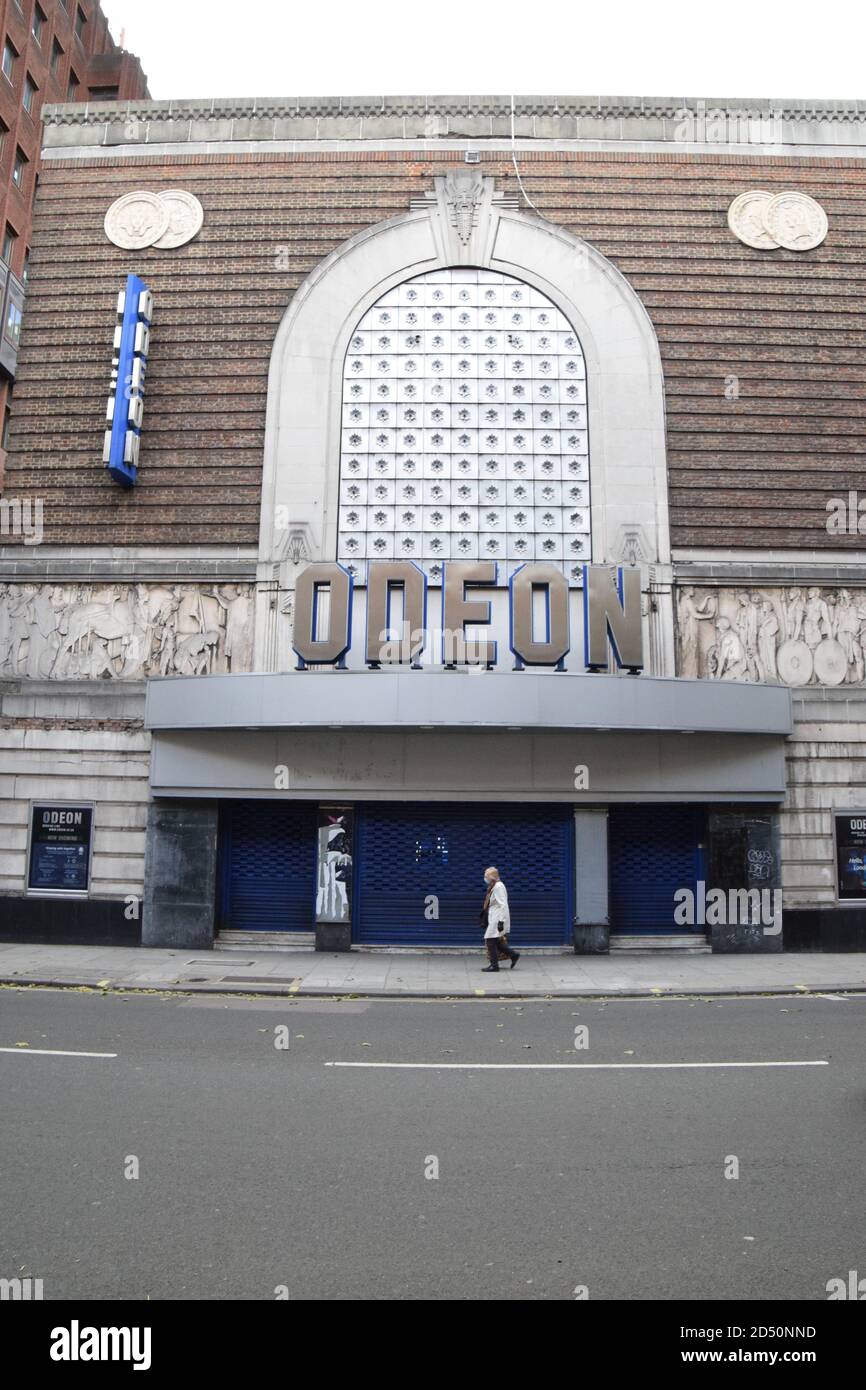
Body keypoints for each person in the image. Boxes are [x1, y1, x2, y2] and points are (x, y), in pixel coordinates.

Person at [480, 866, 519, 972]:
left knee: (490, 940)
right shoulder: (493, 886)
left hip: (498, 917)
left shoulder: (498, 886)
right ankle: (513, 954)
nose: (485, 878)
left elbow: (503, 905)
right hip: (494, 916)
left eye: (486, 876)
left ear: (492, 877)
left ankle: (494, 965)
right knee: (494, 940)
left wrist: (501, 921)